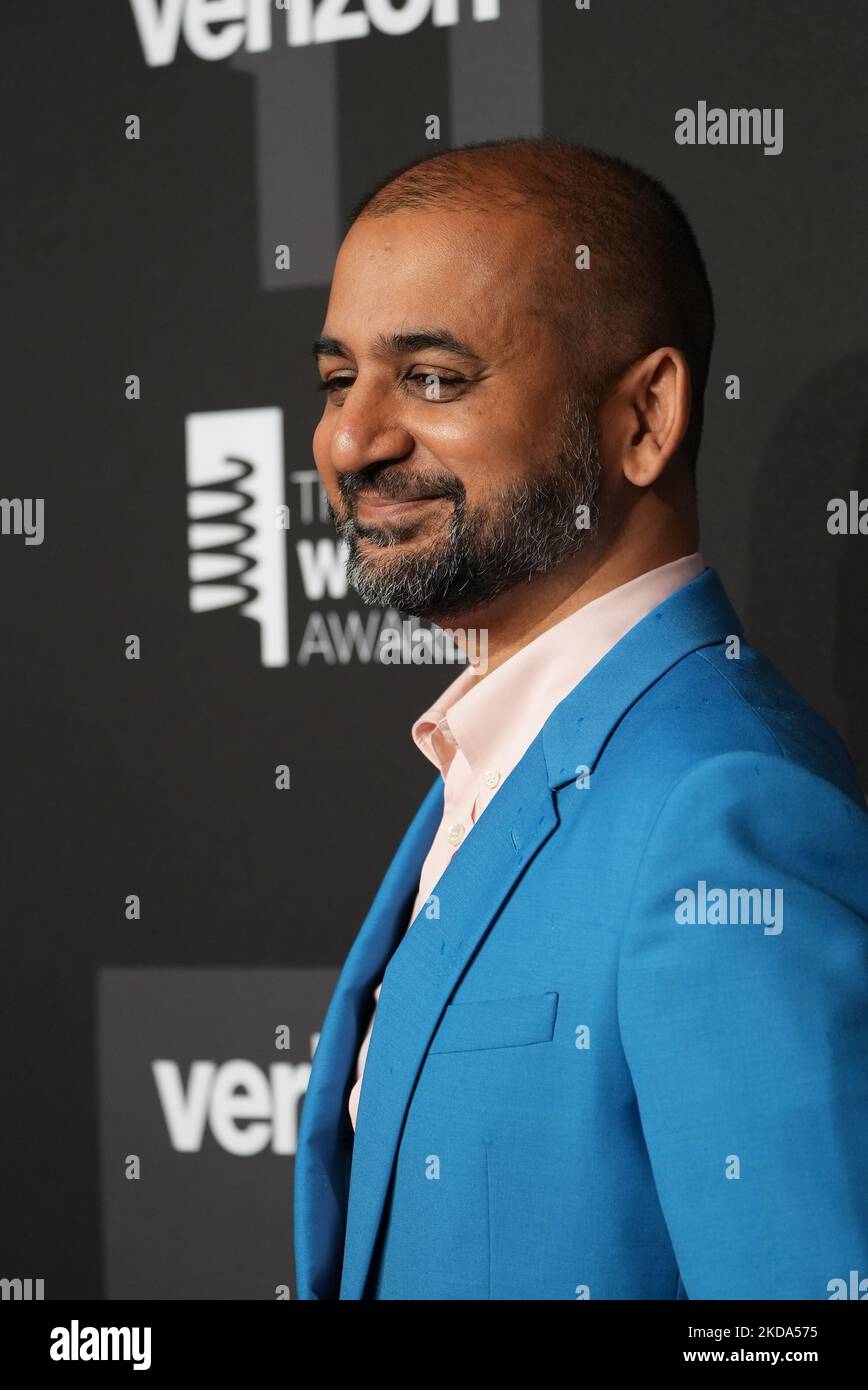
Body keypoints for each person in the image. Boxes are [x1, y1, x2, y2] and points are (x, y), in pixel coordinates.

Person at [294, 138, 868, 1300]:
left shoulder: (724, 807)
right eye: (336, 376)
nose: (350, 440)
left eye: (434, 378)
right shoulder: (496, 758)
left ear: (645, 416)